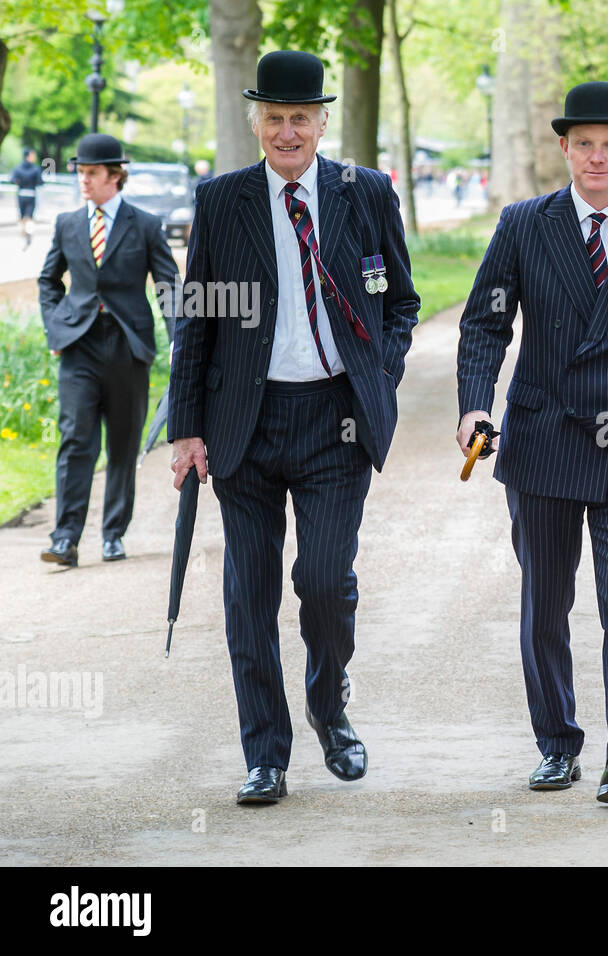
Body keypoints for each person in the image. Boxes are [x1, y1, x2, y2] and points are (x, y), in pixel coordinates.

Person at [168, 50, 420, 805]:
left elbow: (401, 301)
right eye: (274, 119)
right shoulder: (222, 201)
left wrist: (380, 372)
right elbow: (197, 322)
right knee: (248, 595)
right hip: (243, 419)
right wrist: (186, 429)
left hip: (335, 418)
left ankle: (329, 707)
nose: (287, 132)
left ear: (321, 122)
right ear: (257, 123)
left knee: (322, 582)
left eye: (299, 118)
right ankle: (265, 755)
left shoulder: (364, 192)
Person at [456, 80, 608, 805]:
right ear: (564, 148)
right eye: (584, 144)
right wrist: (476, 407)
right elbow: (484, 324)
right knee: (546, 604)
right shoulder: (524, 225)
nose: (598, 157)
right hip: (545, 439)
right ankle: (557, 743)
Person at [37, 134, 179, 568]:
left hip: (127, 348)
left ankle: (114, 534)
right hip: (78, 346)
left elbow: (169, 285)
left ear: (115, 176)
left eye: (92, 173)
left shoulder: (146, 224)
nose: (84, 181)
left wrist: (178, 339)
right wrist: (56, 329)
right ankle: (65, 539)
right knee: (76, 441)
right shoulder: (67, 223)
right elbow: (48, 281)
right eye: (80, 173)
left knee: (122, 444)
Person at [10, 148, 43, 250]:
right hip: (31, 194)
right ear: (28, 156)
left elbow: (12, 180)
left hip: (21, 194)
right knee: (29, 216)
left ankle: (25, 232)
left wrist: (19, 182)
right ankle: (28, 233)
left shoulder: (17, 168)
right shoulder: (36, 169)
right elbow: (40, 182)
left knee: (23, 215)